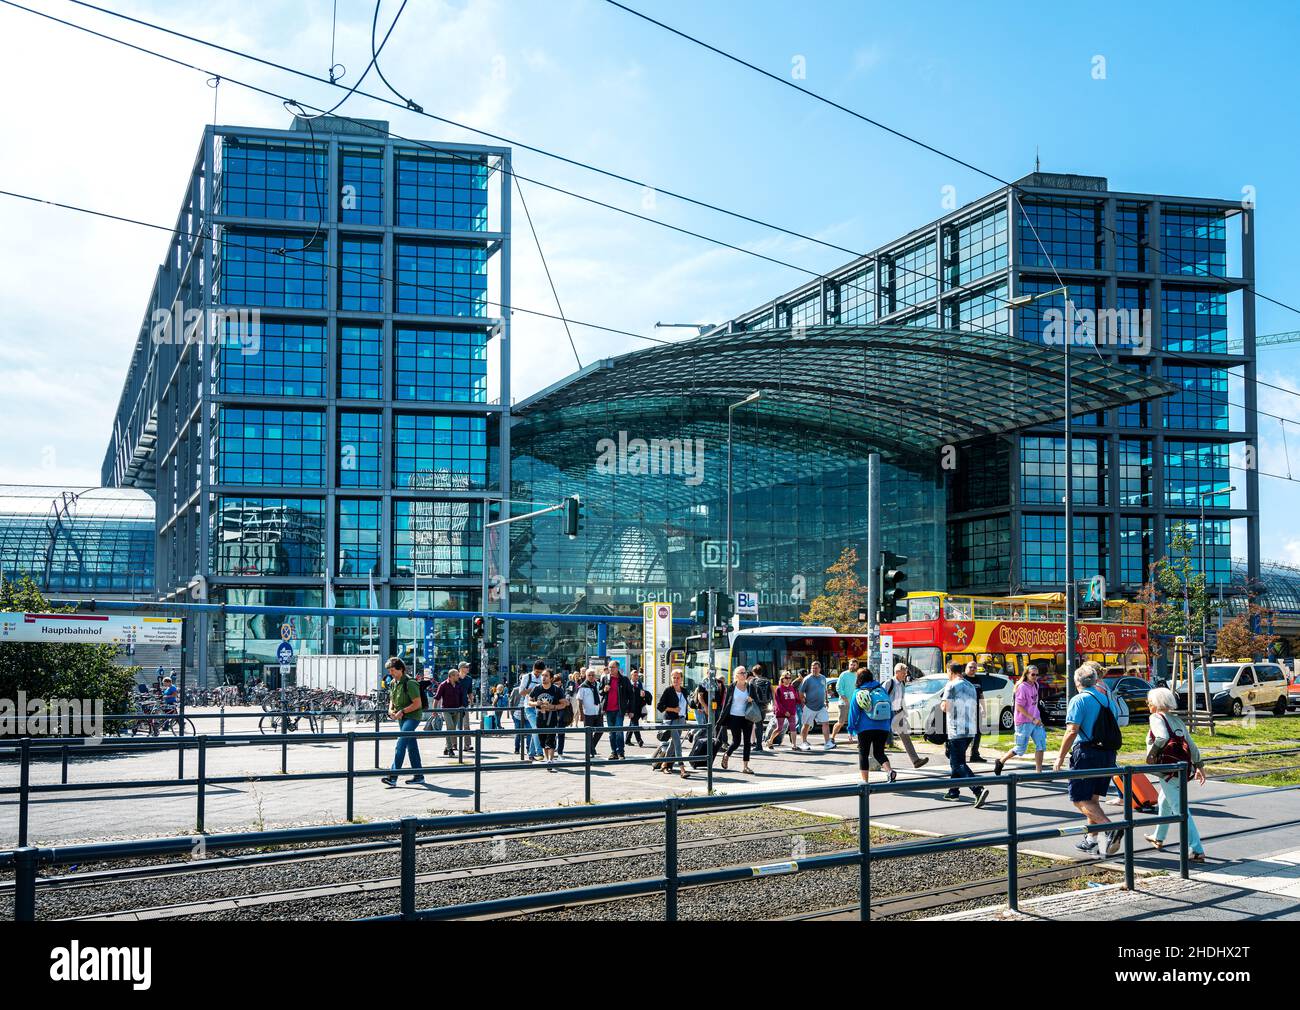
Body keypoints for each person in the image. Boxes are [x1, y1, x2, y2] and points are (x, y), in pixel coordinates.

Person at [1053, 661, 1124, 857]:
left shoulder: (1079, 700)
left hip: (1086, 752)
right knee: (1093, 799)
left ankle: (1110, 827)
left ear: (1077, 681)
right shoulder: (1106, 699)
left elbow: (1072, 730)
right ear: (1094, 680)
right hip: (1108, 754)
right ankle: (1092, 840)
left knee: (1079, 799)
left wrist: (1059, 757)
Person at [1144, 686, 1207, 862]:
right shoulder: (1177, 720)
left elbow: (1162, 737)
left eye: (1149, 701)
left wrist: (1151, 757)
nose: (1147, 704)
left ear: (1156, 704)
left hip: (1167, 770)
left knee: (1181, 810)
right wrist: (1199, 766)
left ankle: (1196, 850)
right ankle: (1158, 836)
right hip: (1181, 768)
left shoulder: (1155, 717)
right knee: (1163, 801)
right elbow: (1191, 745)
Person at [940, 664, 989, 806]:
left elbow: (945, 707)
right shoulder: (971, 686)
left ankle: (978, 790)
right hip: (970, 729)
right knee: (956, 761)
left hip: (956, 729)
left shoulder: (951, 685)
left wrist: (941, 704)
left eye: (947, 672)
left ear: (950, 671)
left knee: (958, 763)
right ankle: (953, 791)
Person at [994, 665, 1047, 776]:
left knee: (1041, 744)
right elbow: (1019, 707)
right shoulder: (1022, 687)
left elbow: (1035, 704)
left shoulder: (1036, 685)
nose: (1035, 677)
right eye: (1033, 674)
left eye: (1037, 675)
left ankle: (1039, 773)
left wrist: (1038, 718)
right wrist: (1032, 718)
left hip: (1036, 720)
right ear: (1027, 674)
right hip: (1024, 721)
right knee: (1020, 749)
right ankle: (1000, 761)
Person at [381, 657, 425, 786]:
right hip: (402, 717)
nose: (391, 673)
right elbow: (392, 700)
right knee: (411, 746)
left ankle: (392, 776)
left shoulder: (410, 683)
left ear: (401, 669)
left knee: (400, 744)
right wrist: (391, 710)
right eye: (389, 670)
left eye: (393, 670)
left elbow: (417, 704)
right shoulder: (394, 683)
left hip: (412, 717)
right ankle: (419, 775)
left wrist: (403, 711)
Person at [848, 668, 895, 783]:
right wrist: (887, 726)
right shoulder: (881, 690)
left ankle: (865, 783)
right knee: (879, 752)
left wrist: (851, 729)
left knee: (863, 754)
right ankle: (889, 771)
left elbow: (853, 713)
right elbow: (891, 710)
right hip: (883, 727)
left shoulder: (858, 692)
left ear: (859, 679)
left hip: (865, 728)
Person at [882, 663, 928, 768]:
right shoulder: (890, 683)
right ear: (897, 672)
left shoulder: (902, 684)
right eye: (903, 673)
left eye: (905, 673)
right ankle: (879, 761)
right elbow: (882, 696)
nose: (905, 675)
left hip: (898, 713)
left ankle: (916, 761)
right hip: (888, 714)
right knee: (882, 738)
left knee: (906, 737)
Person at [719, 666, 757, 774]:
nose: (744, 674)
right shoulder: (731, 687)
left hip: (747, 717)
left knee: (747, 742)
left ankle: (745, 766)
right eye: (741, 673)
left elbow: (756, 699)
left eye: (745, 672)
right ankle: (727, 754)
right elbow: (726, 704)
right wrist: (721, 719)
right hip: (734, 717)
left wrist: (752, 699)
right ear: (736, 675)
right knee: (736, 742)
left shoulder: (750, 687)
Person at [656, 667, 692, 779]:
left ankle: (664, 764)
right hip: (671, 720)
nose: (676, 680)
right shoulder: (668, 690)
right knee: (677, 743)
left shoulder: (684, 691)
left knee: (673, 744)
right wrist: (673, 709)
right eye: (674, 677)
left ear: (681, 679)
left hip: (681, 720)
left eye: (678, 678)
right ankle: (682, 768)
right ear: (671, 679)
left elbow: (689, 703)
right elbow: (660, 706)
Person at [529, 668, 567, 770]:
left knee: (550, 738)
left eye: (546, 676)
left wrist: (553, 707)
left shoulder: (556, 690)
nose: (543, 677)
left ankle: (550, 760)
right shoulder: (537, 688)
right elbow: (529, 701)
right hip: (540, 716)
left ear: (551, 678)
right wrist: (536, 703)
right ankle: (547, 760)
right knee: (542, 740)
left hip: (552, 716)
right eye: (542, 675)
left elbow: (564, 704)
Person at [798, 661, 835, 752]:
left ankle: (827, 743)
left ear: (819, 669)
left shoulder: (823, 678)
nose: (814, 670)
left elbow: (824, 690)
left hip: (821, 706)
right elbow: (800, 692)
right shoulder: (807, 679)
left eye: (816, 668)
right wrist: (804, 702)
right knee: (806, 725)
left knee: (825, 723)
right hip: (809, 706)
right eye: (812, 668)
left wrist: (826, 700)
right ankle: (804, 742)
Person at [600, 661, 632, 759]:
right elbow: (600, 692)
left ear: (617, 668)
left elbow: (631, 695)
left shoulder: (624, 680)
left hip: (619, 709)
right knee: (611, 732)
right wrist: (604, 690)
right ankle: (613, 752)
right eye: (609, 667)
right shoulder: (605, 678)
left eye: (612, 667)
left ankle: (620, 752)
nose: (610, 669)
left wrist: (631, 710)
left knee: (619, 731)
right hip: (609, 710)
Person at [765, 670, 800, 751]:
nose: (788, 679)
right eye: (786, 678)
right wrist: (784, 711)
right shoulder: (779, 689)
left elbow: (796, 699)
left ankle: (794, 745)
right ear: (782, 679)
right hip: (781, 712)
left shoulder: (792, 688)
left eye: (789, 678)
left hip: (791, 711)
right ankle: (770, 741)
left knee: (793, 728)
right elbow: (777, 702)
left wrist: (801, 700)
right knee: (779, 728)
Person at [518, 661, 546, 760]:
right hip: (529, 707)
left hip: (540, 707)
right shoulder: (527, 677)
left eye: (540, 672)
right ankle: (540, 752)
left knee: (536, 730)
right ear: (533, 669)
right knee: (537, 728)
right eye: (537, 672)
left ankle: (531, 754)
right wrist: (533, 689)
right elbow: (521, 692)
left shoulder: (543, 677)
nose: (538, 674)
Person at [434, 668, 462, 757]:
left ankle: (446, 748)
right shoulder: (443, 685)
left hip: (457, 710)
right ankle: (450, 749)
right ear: (451, 676)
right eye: (457, 675)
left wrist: (462, 706)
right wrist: (434, 711)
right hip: (446, 710)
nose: (458, 676)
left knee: (452, 730)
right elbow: (437, 698)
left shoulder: (458, 685)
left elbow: (461, 696)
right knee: (450, 728)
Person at [832, 659, 861, 742]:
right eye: (851, 664)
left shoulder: (858, 675)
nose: (852, 666)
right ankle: (832, 738)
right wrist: (845, 698)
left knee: (855, 722)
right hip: (844, 703)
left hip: (855, 703)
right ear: (849, 665)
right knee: (840, 722)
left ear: (857, 666)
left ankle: (855, 739)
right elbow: (838, 687)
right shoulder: (844, 675)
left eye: (854, 665)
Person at [578, 666, 604, 757]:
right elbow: (580, 701)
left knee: (600, 730)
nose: (591, 677)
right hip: (588, 713)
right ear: (586, 676)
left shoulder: (598, 684)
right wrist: (581, 714)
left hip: (598, 712)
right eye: (589, 675)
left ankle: (591, 747)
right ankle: (591, 750)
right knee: (589, 733)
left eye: (593, 675)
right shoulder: (583, 686)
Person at [963, 661, 986, 763]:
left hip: (976, 709)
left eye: (974, 668)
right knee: (966, 733)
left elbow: (981, 695)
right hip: (964, 711)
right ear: (966, 668)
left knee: (977, 732)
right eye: (970, 667)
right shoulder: (962, 679)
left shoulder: (978, 680)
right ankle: (960, 754)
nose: (972, 669)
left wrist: (983, 708)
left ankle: (975, 754)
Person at [748, 664, 772, 753]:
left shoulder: (752, 681)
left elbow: (750, 696)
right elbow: (771, 693)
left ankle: (758, 745)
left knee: (757, 725)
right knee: (760, 724)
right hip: (764, 706)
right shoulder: (767, 681)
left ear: (754, 672)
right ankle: (759, 744)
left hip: (756, 706)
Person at [626, 668, 652, 748]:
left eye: (637, 675)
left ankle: (627, 740)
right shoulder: (628, 684)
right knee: (634, 724)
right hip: (631, 708)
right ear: (631, 676)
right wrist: (627, 710)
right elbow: (626, 697)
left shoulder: (641, 684)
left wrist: (644, 695)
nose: (636, 677)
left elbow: (646, 693)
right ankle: (639, 740)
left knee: (632, 724)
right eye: (635, 675)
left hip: (639, 707)